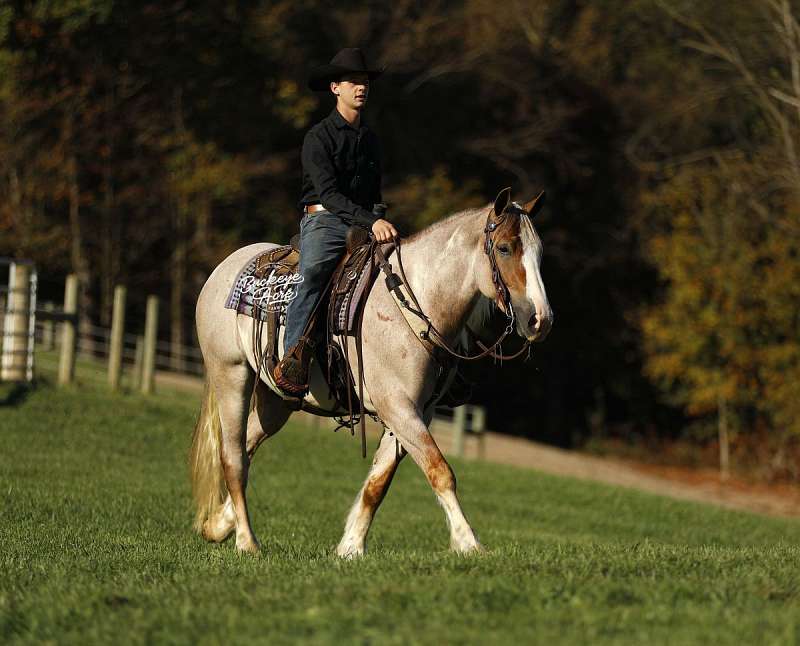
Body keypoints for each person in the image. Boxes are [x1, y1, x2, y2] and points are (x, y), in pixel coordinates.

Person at [274, 48, 398, 396]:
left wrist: (380, 221)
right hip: (324, 221)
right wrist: (369, 221)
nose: (362, 87)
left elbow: (374, 193)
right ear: (335, 88)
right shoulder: (318, 138)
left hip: (363, 222)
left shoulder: (371, 140)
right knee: (315, 273)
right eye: (354, 81)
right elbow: (328, 195)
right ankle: (292, 358)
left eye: (365, 82)